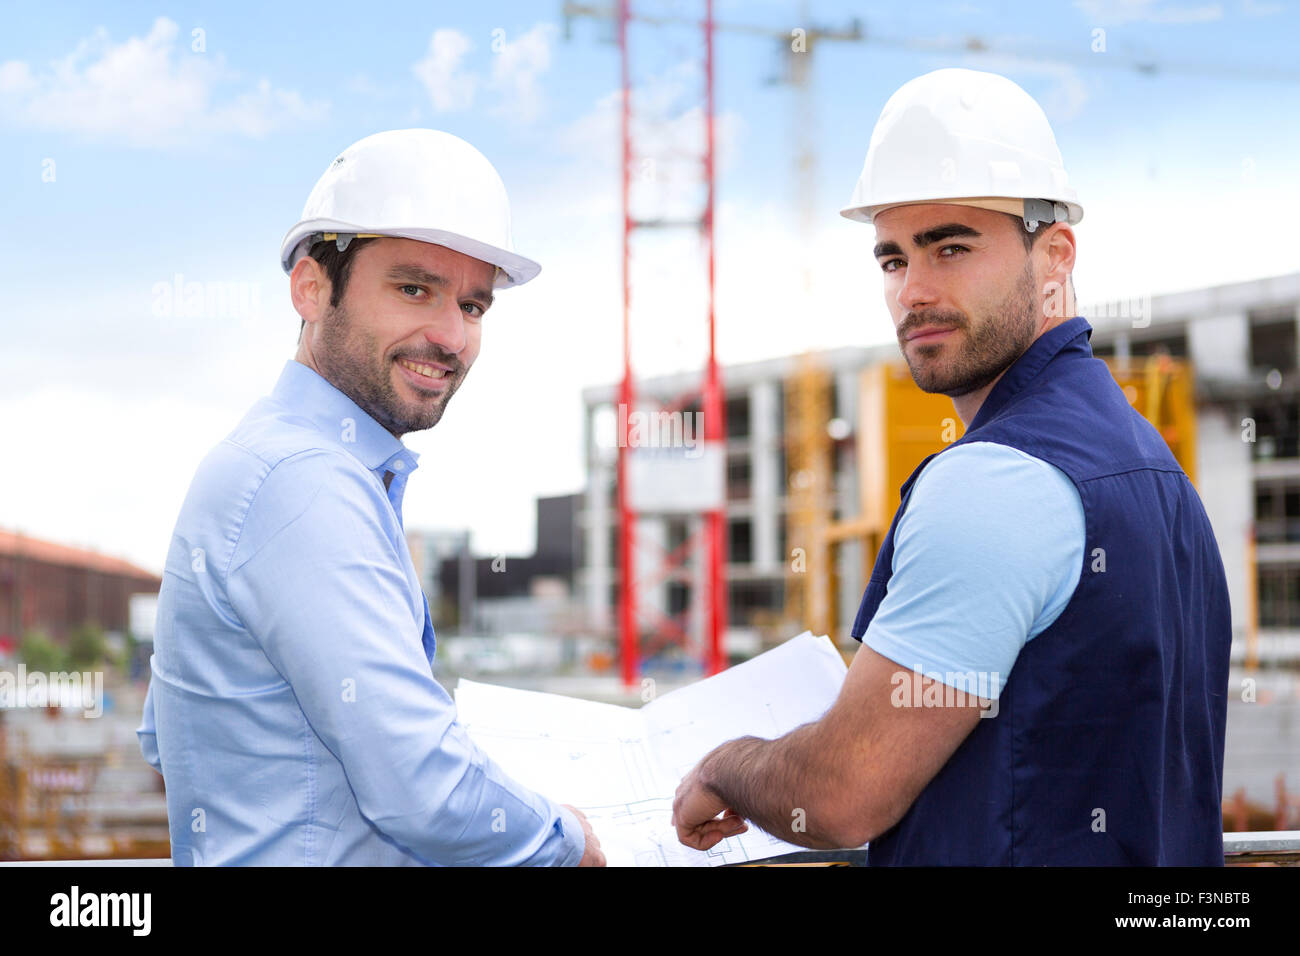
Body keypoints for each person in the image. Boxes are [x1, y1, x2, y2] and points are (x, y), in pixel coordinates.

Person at [671, 69, 1231, 865]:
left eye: (952, 247)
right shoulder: (1156, 470)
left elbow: (841, 794)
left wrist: (725, 765)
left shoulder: (994, 481)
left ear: (1055, 256)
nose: (915, 291)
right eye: (893, 260)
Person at [136, 129, 604, 866]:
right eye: (414, 288)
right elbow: (423, 790)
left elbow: (163, 736)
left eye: (475, 307)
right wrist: (571, 842)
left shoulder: (269, 460)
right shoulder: (303, 482)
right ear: (311, 287)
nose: (450, 336)